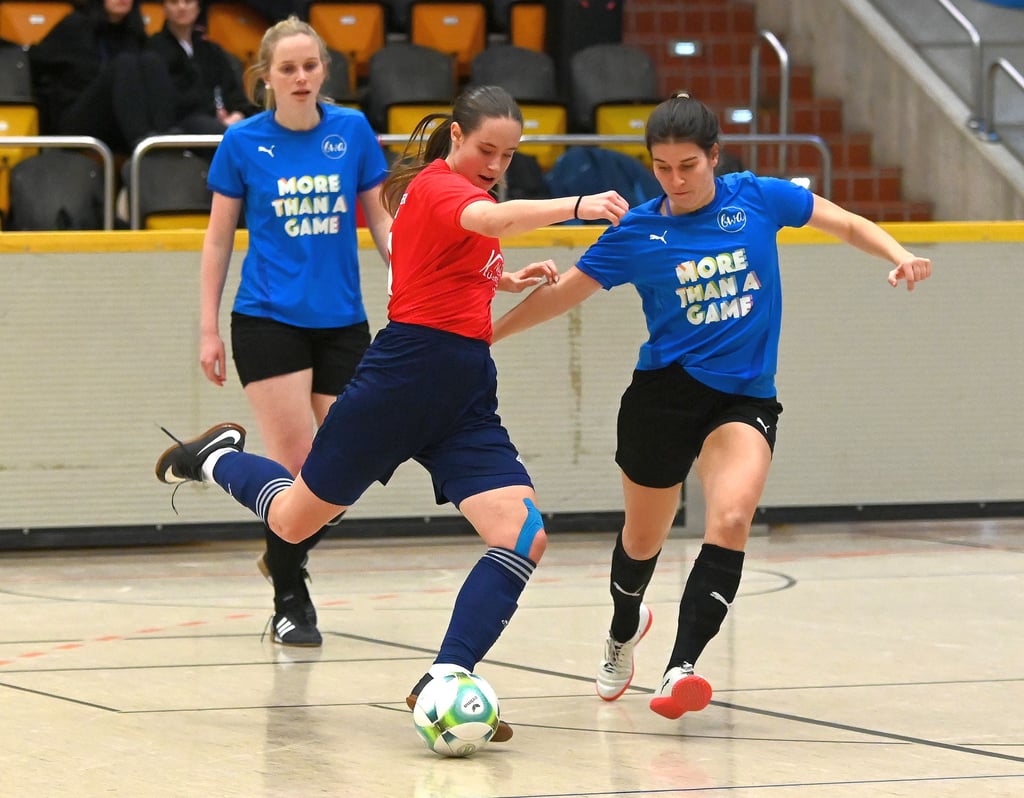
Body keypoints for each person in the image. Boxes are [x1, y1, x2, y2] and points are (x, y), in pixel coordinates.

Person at [155, 83, 629, 741]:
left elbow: (452, 262)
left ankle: (444, 677)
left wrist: (506, 279)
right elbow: (488, 224)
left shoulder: (471, 195)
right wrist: (578, 205)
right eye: (486, 149)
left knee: (522, 534)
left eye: (509, 154)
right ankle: (216, 459)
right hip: (401, 380)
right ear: (457, 139)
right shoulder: (438, 187)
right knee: (293, 523)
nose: (496, 164)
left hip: (464, 393)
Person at [492, 92, 932, 720]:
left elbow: (845, 222)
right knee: (643, 540)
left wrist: (898, 255)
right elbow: (563, 295)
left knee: (729, 518)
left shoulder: (758, 198)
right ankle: (622, 629)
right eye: (663, 168)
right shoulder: (640, 231)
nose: (676, 180)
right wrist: (487, 336)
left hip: (743, 398)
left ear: (714, 157)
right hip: (662, 399)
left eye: (688, 166)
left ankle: (681, 668)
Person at [194, 17, 392, 647]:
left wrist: (408, 281)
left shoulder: (352, 132)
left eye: (310, 66)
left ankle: (214, 461)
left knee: (342, 472)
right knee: (299, 465)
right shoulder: (244, 144)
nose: (301, 78)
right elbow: (219, 238)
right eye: (288, 69)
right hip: (267, 320)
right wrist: (208, 328)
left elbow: (383, 223)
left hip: (343, 322)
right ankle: (290, 598)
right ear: (266, 78)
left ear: (324, 69)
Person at [29, 0, 178, 155]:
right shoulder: (74, 26)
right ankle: (142, 146)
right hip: (78, 118)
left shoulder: (134, 34)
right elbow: (36, 61)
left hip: (118, 122)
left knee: (151, 60)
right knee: (124, 63)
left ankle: (165, 139)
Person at [147, 0, 256, 135]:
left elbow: (234, 92)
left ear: (198, 7)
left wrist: (237, 115)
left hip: (221, 122)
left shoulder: (212, 51)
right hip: (182, 122)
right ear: (164, 8)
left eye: (188, 2)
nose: (182, 7)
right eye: (174, 2)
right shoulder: (153, 49)